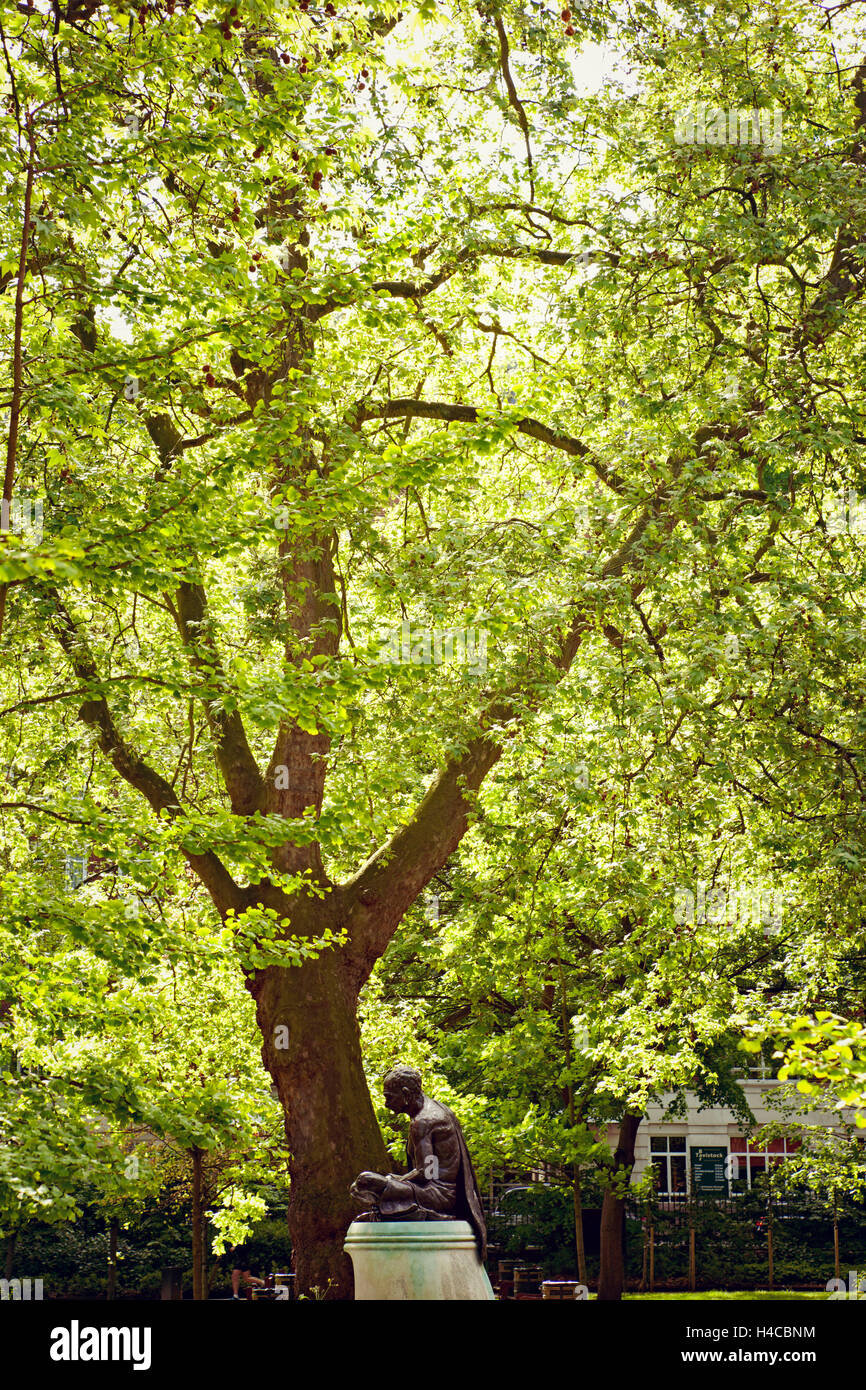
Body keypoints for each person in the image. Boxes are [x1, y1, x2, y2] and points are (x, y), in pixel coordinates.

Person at [349, 1063, 487, 1260]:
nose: (386, 1104)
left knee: (365, 1181)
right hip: (448, 1192)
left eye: (389, 1097)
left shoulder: (422, 1122)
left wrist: (395, 1180)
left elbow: (426, 1173)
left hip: (439, 1195)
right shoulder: (438, 1109)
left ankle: (385, 1209)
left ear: (405, 1094)